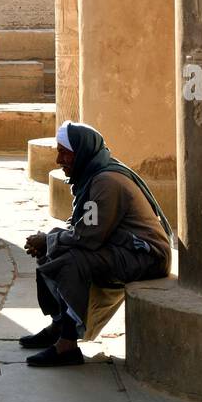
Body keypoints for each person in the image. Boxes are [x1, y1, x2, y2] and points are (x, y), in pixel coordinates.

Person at [21, 122, 172, 367]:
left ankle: (67, 346)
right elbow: (83, 229)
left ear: (81, 152)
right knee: (54, 248)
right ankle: (60, 326)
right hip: (122, 247)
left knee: (69, 259)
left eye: (65, 153)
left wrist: (49, 240)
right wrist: (50, 240)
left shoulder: (106, 181)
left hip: (145, 256)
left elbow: (88, 237)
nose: (59, 160)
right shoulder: (93, 176)